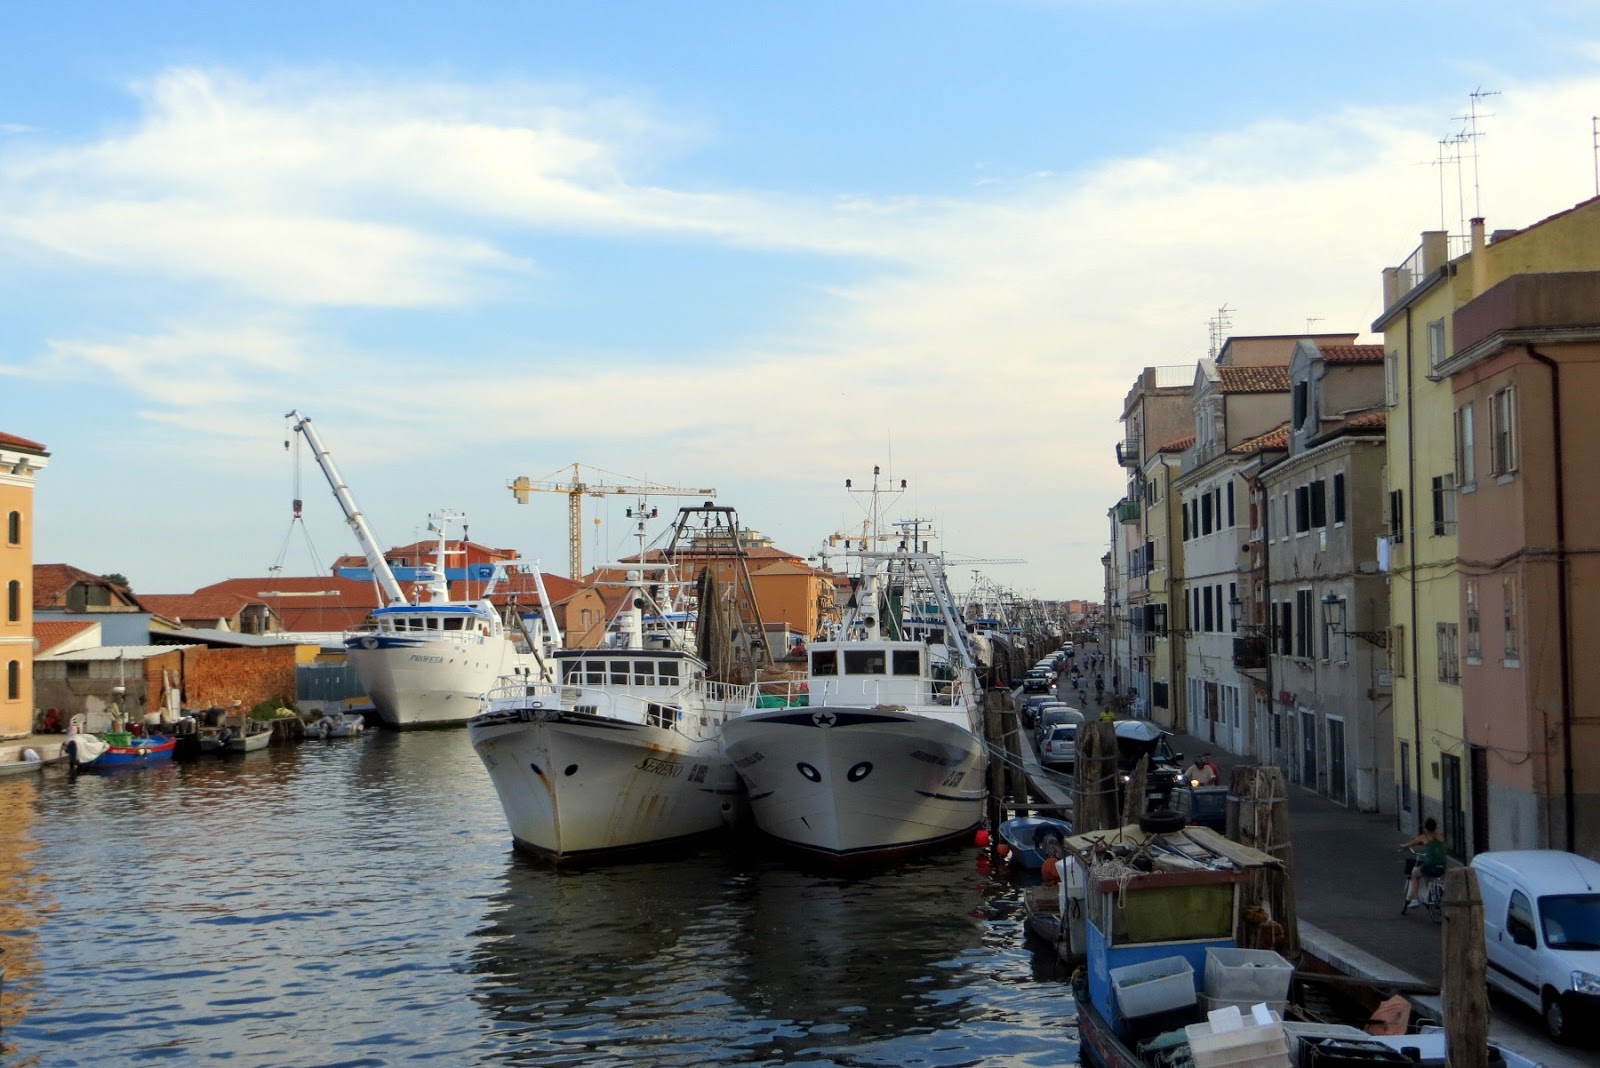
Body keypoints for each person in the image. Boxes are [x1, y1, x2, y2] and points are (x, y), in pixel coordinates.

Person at [1400, 817, 1447, 910]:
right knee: (1435, 876)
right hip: (1442, 866)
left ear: (1425, 827)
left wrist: (1403, 846)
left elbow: (1411, 843)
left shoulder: (1424, 837)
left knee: (1415, 873)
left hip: (1431, 866)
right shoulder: (1441, 836)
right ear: (1435, 827)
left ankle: (1415, 899)